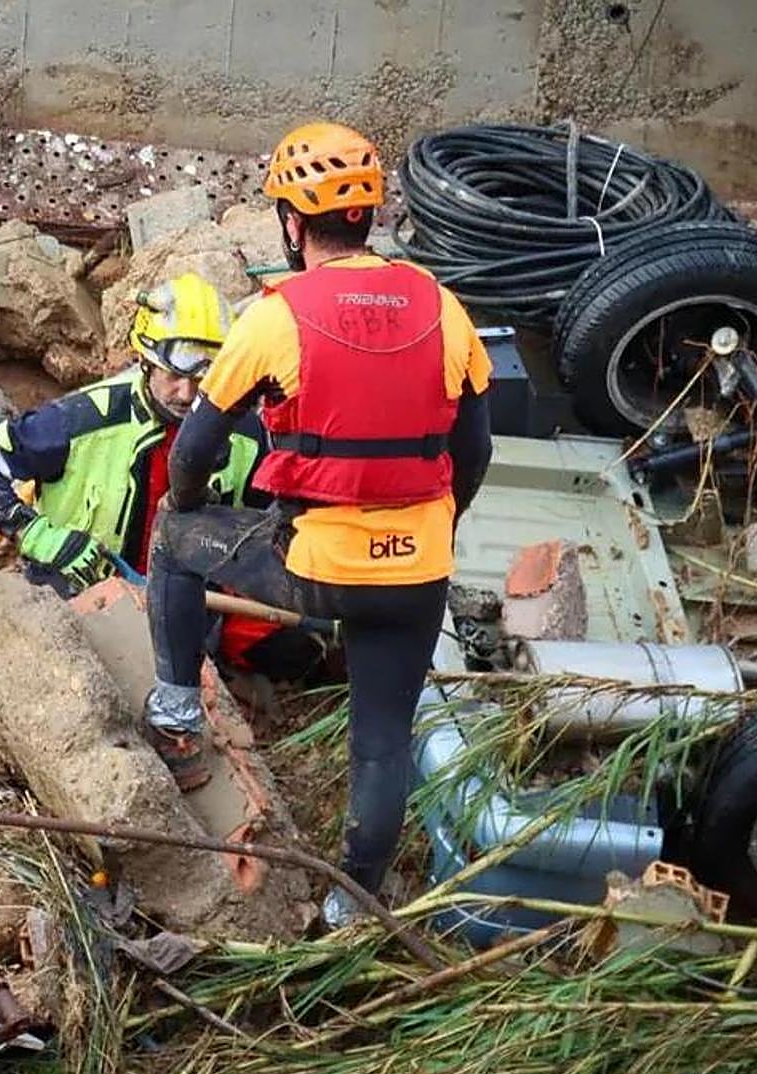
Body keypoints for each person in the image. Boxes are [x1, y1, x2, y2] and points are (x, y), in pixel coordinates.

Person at [142, 122, 494, 926]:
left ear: (291, 225)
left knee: (176, 539)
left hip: (314, 565)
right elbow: (475, 447)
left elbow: (195, 449)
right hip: (415, 572)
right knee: (381, 742)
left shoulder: (276, 317)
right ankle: (351, 906)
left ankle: (176, 717)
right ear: (370, 214)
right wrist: (442, 525)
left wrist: (189, 505)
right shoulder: (443, 306)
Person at [0, 274, 324, 782]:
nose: (186, 393)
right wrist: (37, 534)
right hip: (84, 593)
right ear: (146, 357)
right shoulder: (84, 417)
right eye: (172, 374)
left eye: (203, 378)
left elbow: (273, 524)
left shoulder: (247, 435)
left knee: (303, 644)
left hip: (191, 605)